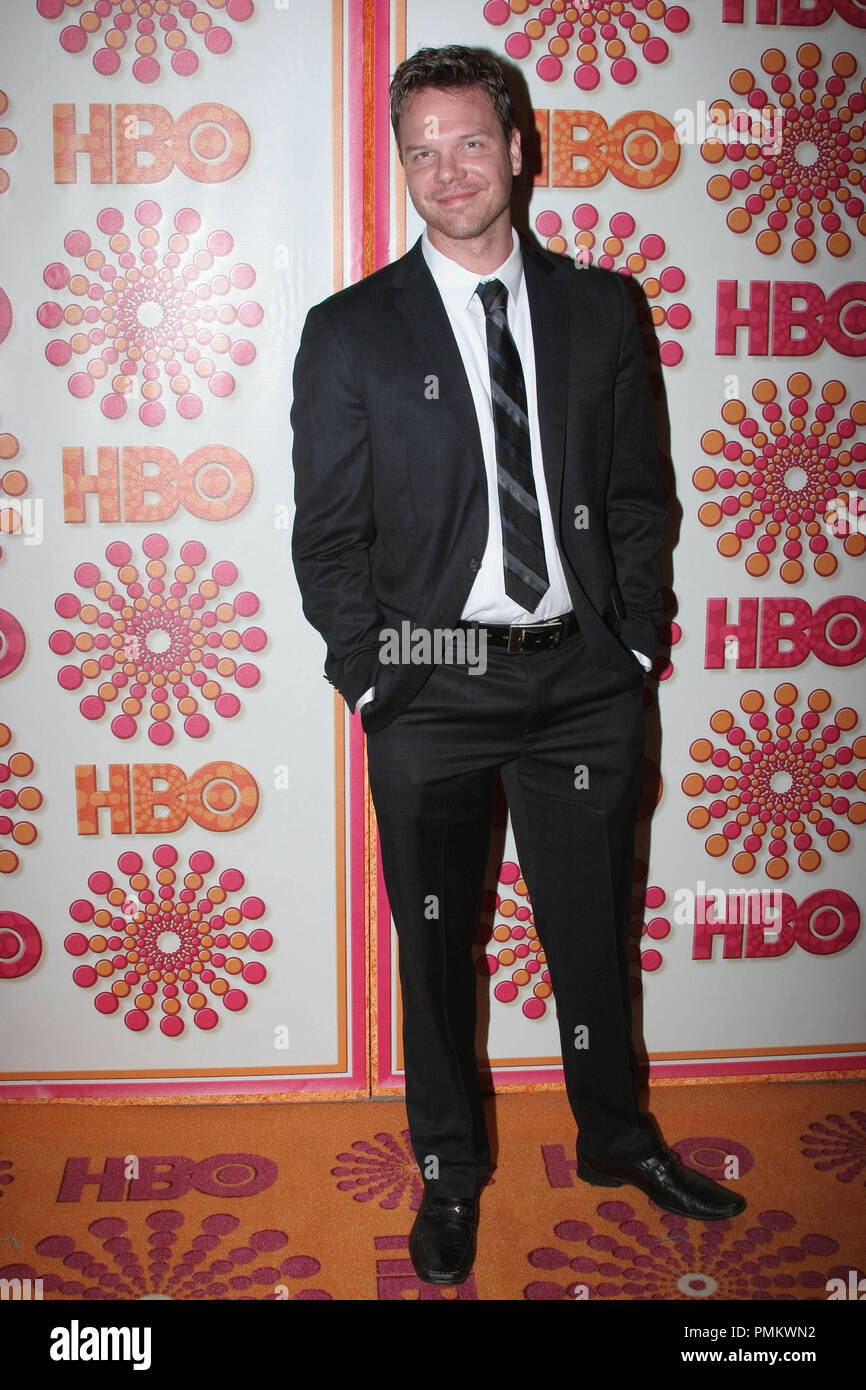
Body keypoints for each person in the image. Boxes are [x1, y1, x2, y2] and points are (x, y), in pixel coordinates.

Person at [291, 44, 746, 1287]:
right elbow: (326, 539)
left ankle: (614, 1139)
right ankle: (448, 1172)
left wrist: (634, 637)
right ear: (403, 164)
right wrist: (375, 676)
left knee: (589, 929)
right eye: (420, 148)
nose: (445, 170)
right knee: (439, 950)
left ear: (518, 148)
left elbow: (637, 494)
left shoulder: (604, 310)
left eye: (468, 141)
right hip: (430, 680)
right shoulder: (348, 332)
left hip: (581, 682)